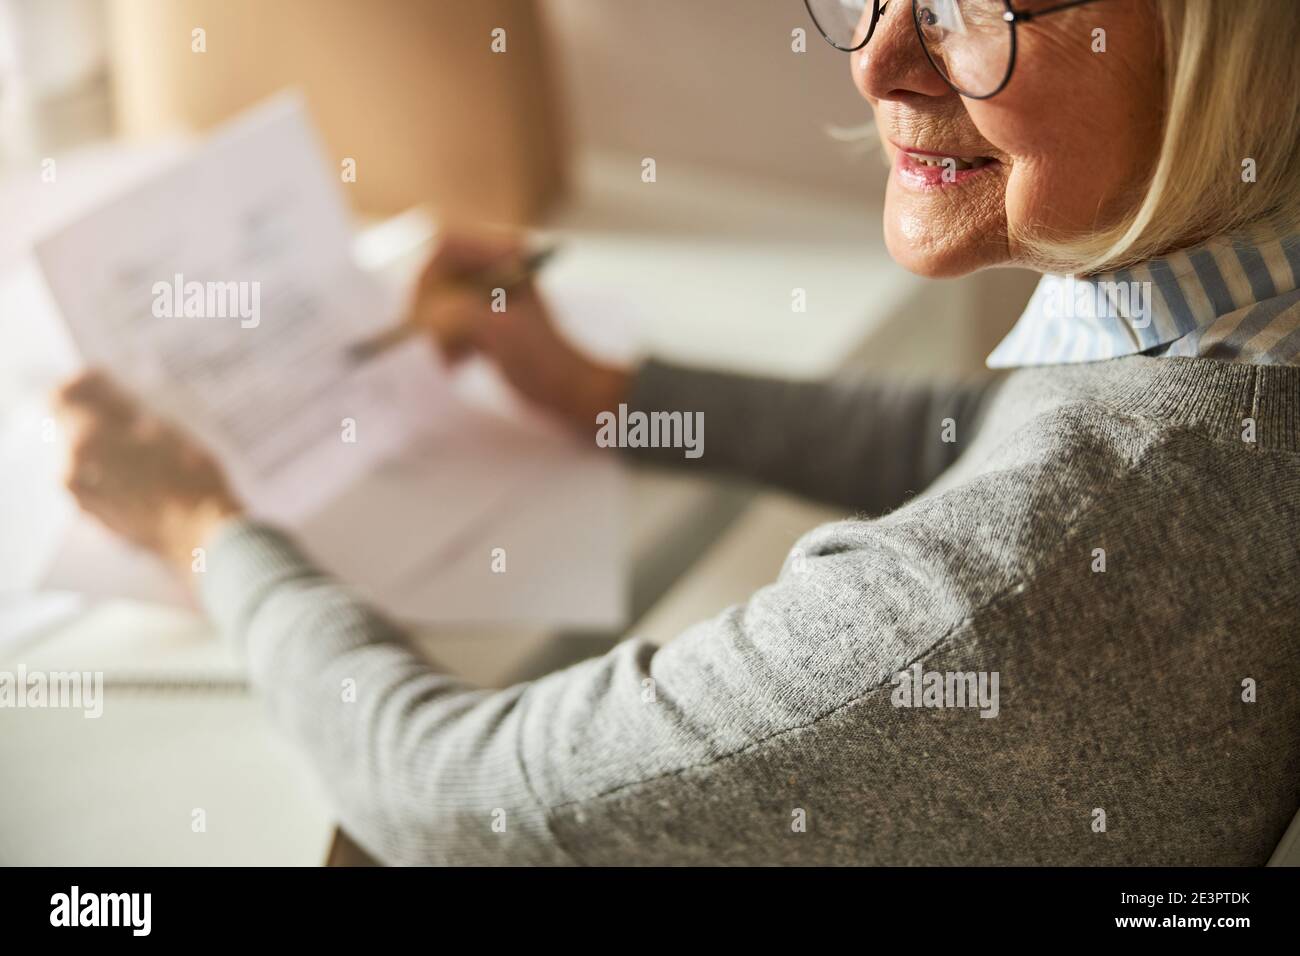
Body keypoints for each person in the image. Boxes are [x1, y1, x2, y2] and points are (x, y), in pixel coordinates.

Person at [54, 0, 1300, 864]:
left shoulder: (1038, 587)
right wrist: (608, 392)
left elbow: (462, 799)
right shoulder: (1235, 303)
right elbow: (1005, 432)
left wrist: (206, 532)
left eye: (977, 6)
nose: (877, 65)